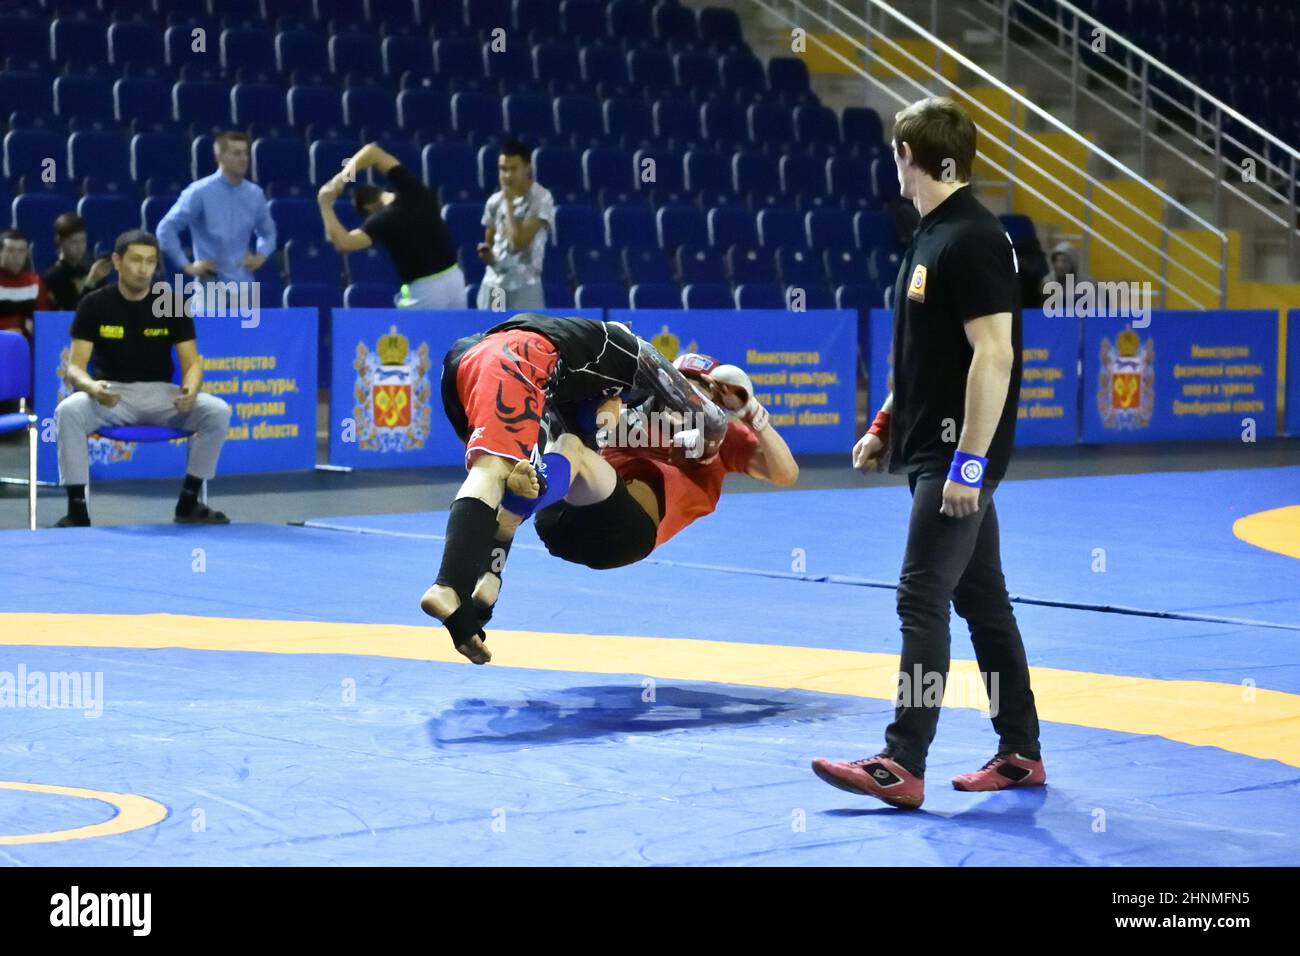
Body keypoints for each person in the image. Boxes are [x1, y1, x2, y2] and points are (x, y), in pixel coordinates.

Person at [813, 96, 1043, 809]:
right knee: (983, 602)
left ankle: (900, 760)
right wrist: (885, 420)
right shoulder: (931, 236)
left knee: (922, 598)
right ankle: (1019, 752)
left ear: (908, 156)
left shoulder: (971, 238)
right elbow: (930, 353)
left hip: (955, 457)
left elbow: (994, 356)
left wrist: (969, 464)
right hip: (931, 447)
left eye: (895, 152)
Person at [424, 314, 728, 665]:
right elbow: (712, 420)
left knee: (508, 480)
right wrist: (702, 439)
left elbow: (517, 499)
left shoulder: (557, 392)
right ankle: (447, 586)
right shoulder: (628, 350)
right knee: (497, 472)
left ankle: (484, 589)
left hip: (464, 365)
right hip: (513, 355)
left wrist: (483, 596)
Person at [464, 355, 798, 623]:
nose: (685, 398)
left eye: (698, 391)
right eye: (680, 386)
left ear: (713, 400)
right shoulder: (631, 410)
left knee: (564, 450)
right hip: (562, 526)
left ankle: (517, 510)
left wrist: (753, 413)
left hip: (627, 534)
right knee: (563, 439)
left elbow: (786, 474)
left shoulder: (721, 437)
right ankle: (492, 571)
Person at [54, 230, 232, 528]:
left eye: (150, 261)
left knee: (217, 411)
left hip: (162, 395)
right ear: (117, 261)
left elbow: (193, 363)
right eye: (135, 260)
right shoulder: (94, 304)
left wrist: (191, 388)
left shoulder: (172, 303)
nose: (143, 269)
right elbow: (75, 368)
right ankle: (77, 510)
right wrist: (91, 387)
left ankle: (189, 502)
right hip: (110, 395)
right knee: (68, 411)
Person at [317, 142, 467, 308]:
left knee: (413, 334)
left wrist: (325, 204)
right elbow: (373, 152)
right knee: (456, 333)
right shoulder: (415, 189)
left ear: (368, 208)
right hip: (456, 279)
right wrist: (342, 179)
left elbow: (343, 243)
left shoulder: (382, 221)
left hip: (424, 291)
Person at [156, 131, 276, 287]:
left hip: (244, 284)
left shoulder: (255, 194)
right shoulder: (199, 192)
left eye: (246, 153)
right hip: (210, 284)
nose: (244, 158)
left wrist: (261, 255)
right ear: (220, 157)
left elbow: (268, 233)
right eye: (236, 153)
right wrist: (186, 266)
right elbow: (166, 228)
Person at [476, 141, 554, 311]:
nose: (507, 175)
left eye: (513, 169)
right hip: (496, 286)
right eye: (503, 169)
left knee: (525, 336)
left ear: (527, 168)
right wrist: (488, 256)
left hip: (526, 284)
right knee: (494, 334)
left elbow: (519, 243)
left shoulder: (541, 199)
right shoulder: (494, 201)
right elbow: (490, 242)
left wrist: (509, 205)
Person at [42, 214, 114, 311]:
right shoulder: (52, 278)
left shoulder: (92, 270)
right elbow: (69, 316)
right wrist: (90, 283)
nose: (80, 247)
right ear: (59, 241)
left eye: (83, 241)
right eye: (73, 242)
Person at [0, 229, 49, 338]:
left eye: (21, 251)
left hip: (26, 348)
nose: (16, 256)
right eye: (11, 250)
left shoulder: (35, 283)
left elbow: (43, 323)